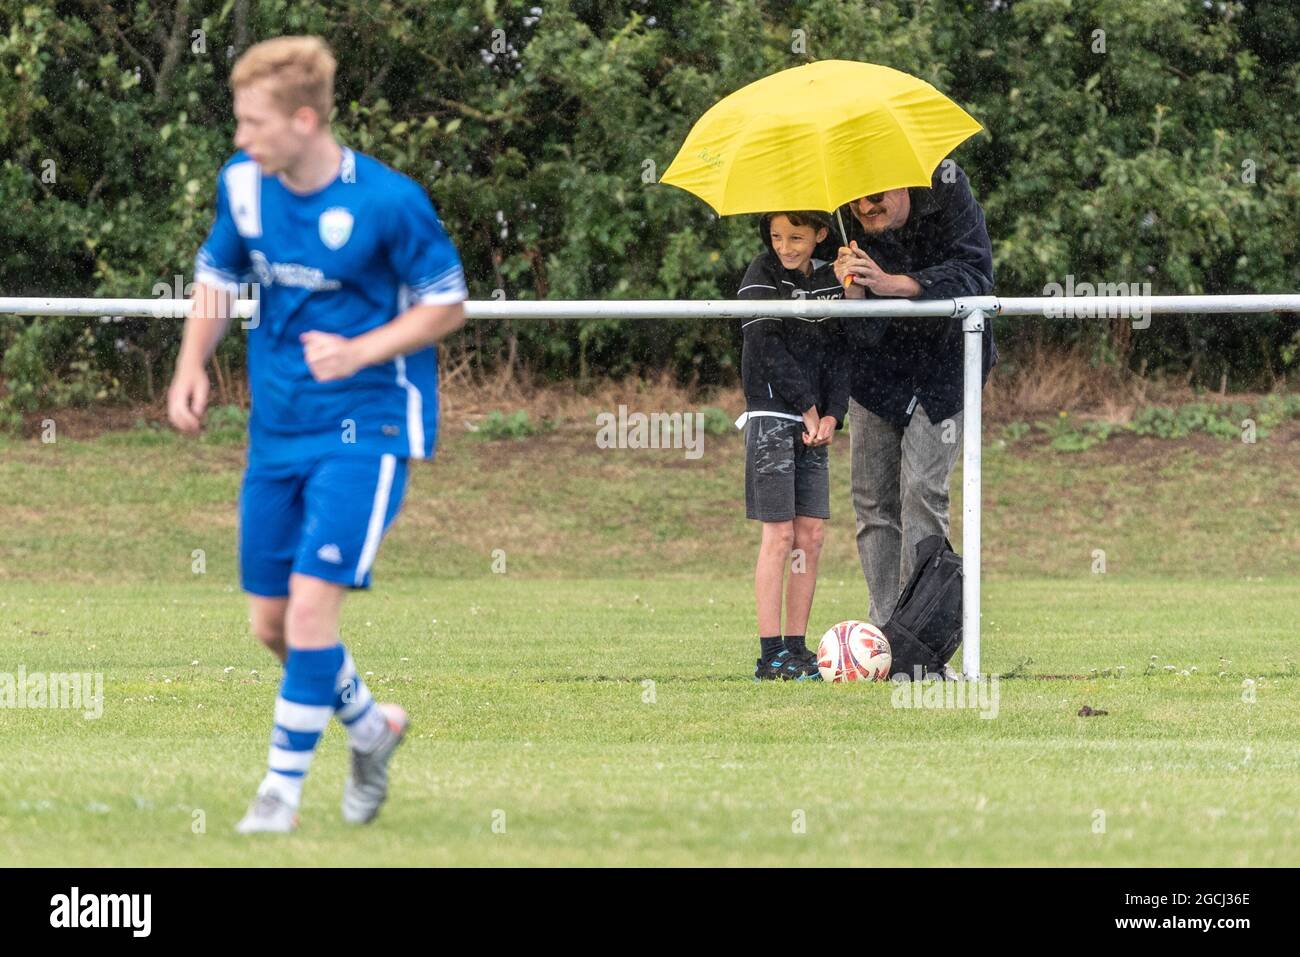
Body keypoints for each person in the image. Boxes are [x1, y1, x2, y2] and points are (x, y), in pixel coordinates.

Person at [165, 36, 468, 832]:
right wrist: (191, 363)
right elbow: (217, 279)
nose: (240, 138)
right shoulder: (244, 187)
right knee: (271, 624)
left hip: (365, 431)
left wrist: (360, 351)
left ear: (304, 120)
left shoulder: (388, 201)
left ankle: (278, 795)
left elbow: (447, 303)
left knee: (308, 614)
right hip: (278, 433)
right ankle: (370, 727)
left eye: (252, 122)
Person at [826, 163, 994, 629]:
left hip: (945, 369)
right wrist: (853, 293)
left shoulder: (949, 188)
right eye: (857, 199)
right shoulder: (839, 217)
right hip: (875, 375)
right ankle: (884, 631)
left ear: (903, 181)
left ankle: (922, 631)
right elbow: (848, 326)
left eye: (876, 194)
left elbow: (977, 275)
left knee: (922, 491)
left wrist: (892, 284)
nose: (865, 207)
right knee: (872, 502)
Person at [737, 211, 850, 680]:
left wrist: (832, 413)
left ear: (821, 233)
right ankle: (770, 656)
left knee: (812, 535)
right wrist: (806, 406)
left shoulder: (831, 278)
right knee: (779, 535)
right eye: (777, 236)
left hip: (814, 422)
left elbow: (844, 349)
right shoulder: (761, 273)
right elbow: (766, 347)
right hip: (774, 416)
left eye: (797, 237)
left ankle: (796, 649)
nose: (785, 246)